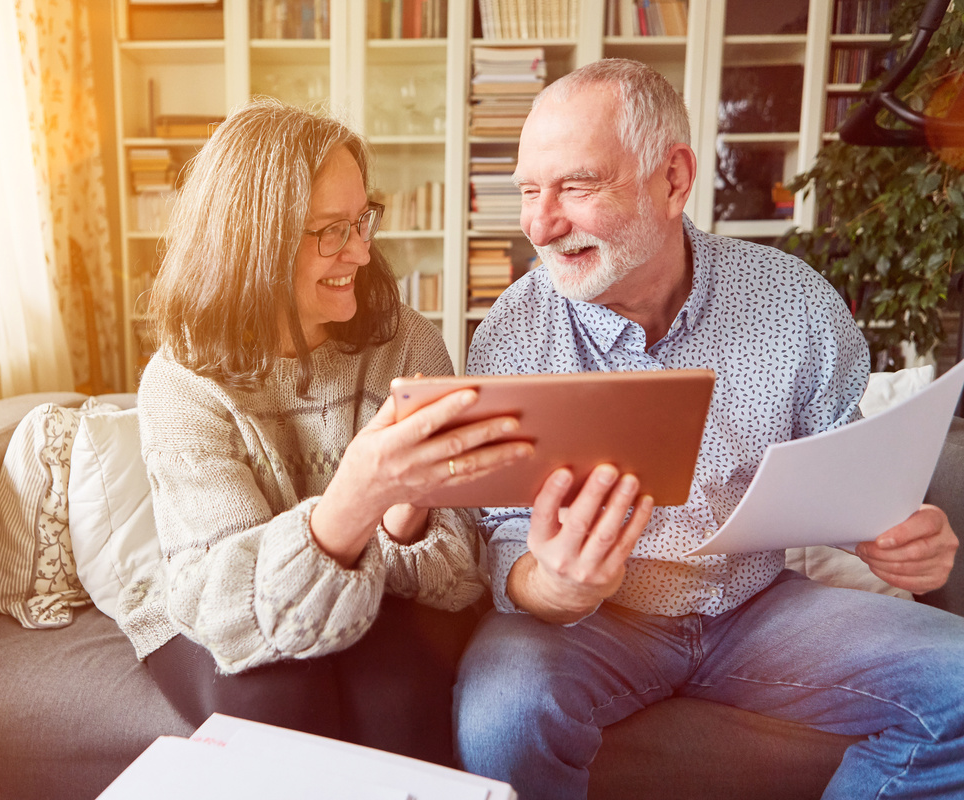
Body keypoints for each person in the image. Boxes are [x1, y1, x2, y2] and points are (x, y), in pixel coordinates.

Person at [454, 58, 964, 798]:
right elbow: (497, 529)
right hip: (590, 624)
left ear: (672, 178)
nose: (540, 223)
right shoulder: (512, 334)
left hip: (756, 608)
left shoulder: (793, 301)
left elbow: (844, 470)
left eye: (576, 185)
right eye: (530, 192)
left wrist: (891, 533)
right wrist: (546, 586)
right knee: (503, 720)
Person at [116, 98, 532, 767]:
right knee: (275, 701)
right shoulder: (181, 381)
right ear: (255, 240)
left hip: (380, 596)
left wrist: (403, 518)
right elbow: (228, 609)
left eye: (363, 220)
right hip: (218, 608)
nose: (362, 253)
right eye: (331, 231)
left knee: (399, 695)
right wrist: (355, 498)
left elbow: (461, 578)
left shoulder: (407, 345)